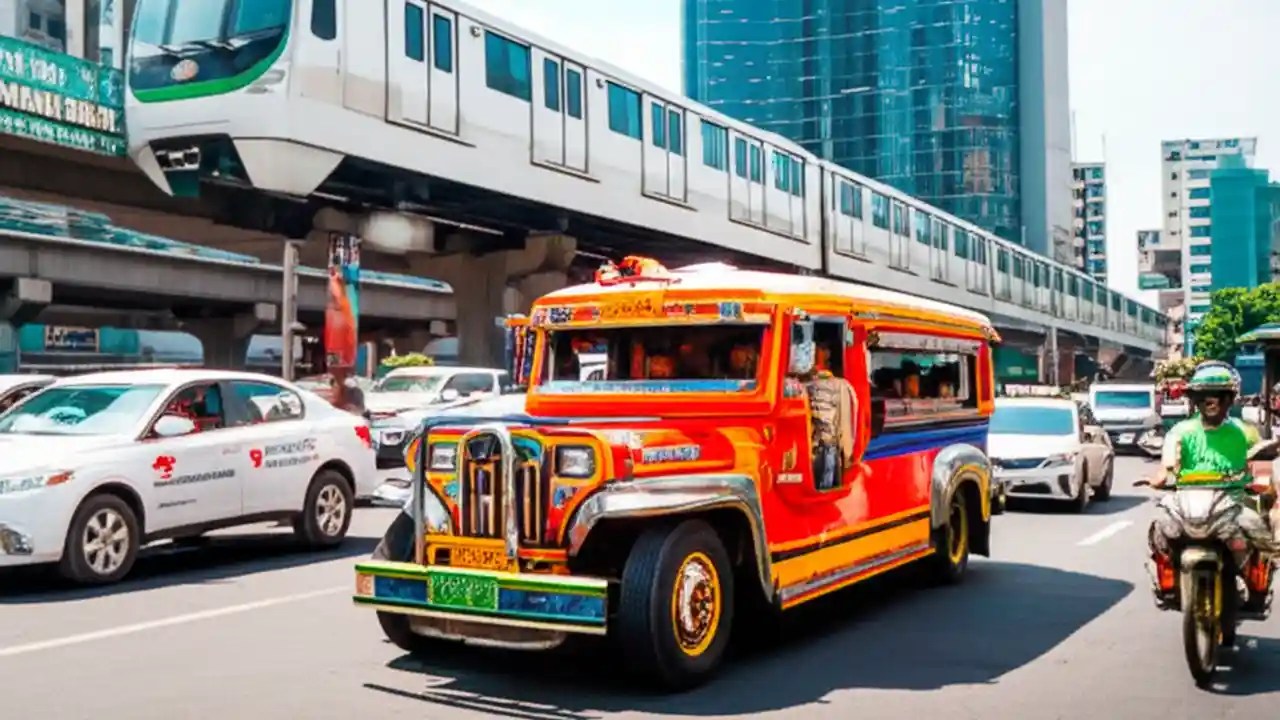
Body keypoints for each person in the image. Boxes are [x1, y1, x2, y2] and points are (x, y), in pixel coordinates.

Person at [1148, 360, 1280, 607]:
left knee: (1260, 533)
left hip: (1233, 501)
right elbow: (1168, 461)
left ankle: (1257, 587)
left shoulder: (1244, 431)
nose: (1211, 402)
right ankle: (1167, 583)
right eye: (1204, 396)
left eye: (1218, 396)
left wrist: (1260, 479)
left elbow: (1261, 456)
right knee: (1161, 529)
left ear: (1229, 399)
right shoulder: (1181, 430)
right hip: (1188, 499)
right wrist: (1161, 476)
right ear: (1195, 400)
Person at [797, 341, 857, 491]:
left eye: (817, 350)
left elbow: (845, 421)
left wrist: (847, 454)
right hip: (809, 450)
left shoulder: (839, 385)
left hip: (825, 449)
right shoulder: (802, 384)